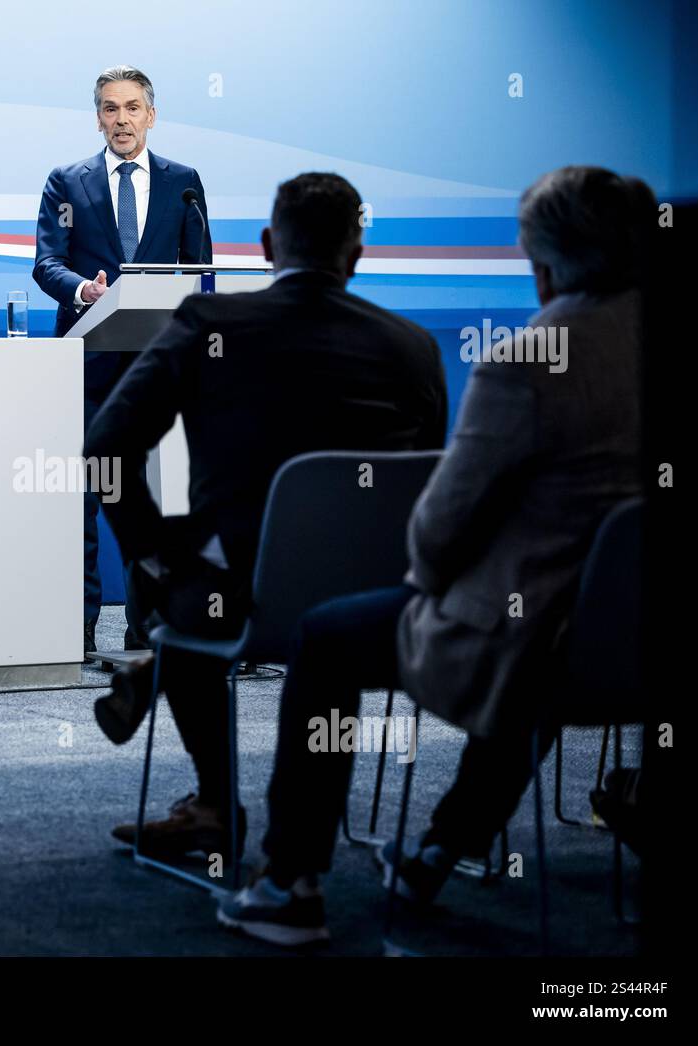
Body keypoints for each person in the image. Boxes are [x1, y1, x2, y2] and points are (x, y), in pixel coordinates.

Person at [217, 166, 654, 947]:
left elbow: (435, 533)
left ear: (545, 265)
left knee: (328, 636)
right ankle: (439, 847)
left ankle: (290, 883)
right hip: (636, 641)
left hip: (536, 636)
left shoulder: (531, 358)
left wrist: (438, 578)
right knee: (552, 632)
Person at [83, 172, 447, 860]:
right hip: (376, 607)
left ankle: (215, 804)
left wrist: (155, 556)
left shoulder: (208, 325)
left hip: (236, 600)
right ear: (357, 253)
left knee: (184, 589)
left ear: (267, 245)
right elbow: (428, 495)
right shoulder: (415, 348)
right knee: (212, 587)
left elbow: (103, 451)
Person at [33, 65, 212, 657]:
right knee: (85, 495)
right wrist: (85, 290)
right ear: (99, 117)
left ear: (151, 115)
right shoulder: (67, 181)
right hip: (86, 362)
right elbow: (46, 264)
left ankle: (147, 628)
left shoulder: (184, 182)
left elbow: (200, 274)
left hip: (162, 364)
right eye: (110, 109)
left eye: (132, 108)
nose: (122, 119)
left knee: (159, 502)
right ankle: (77, 628)